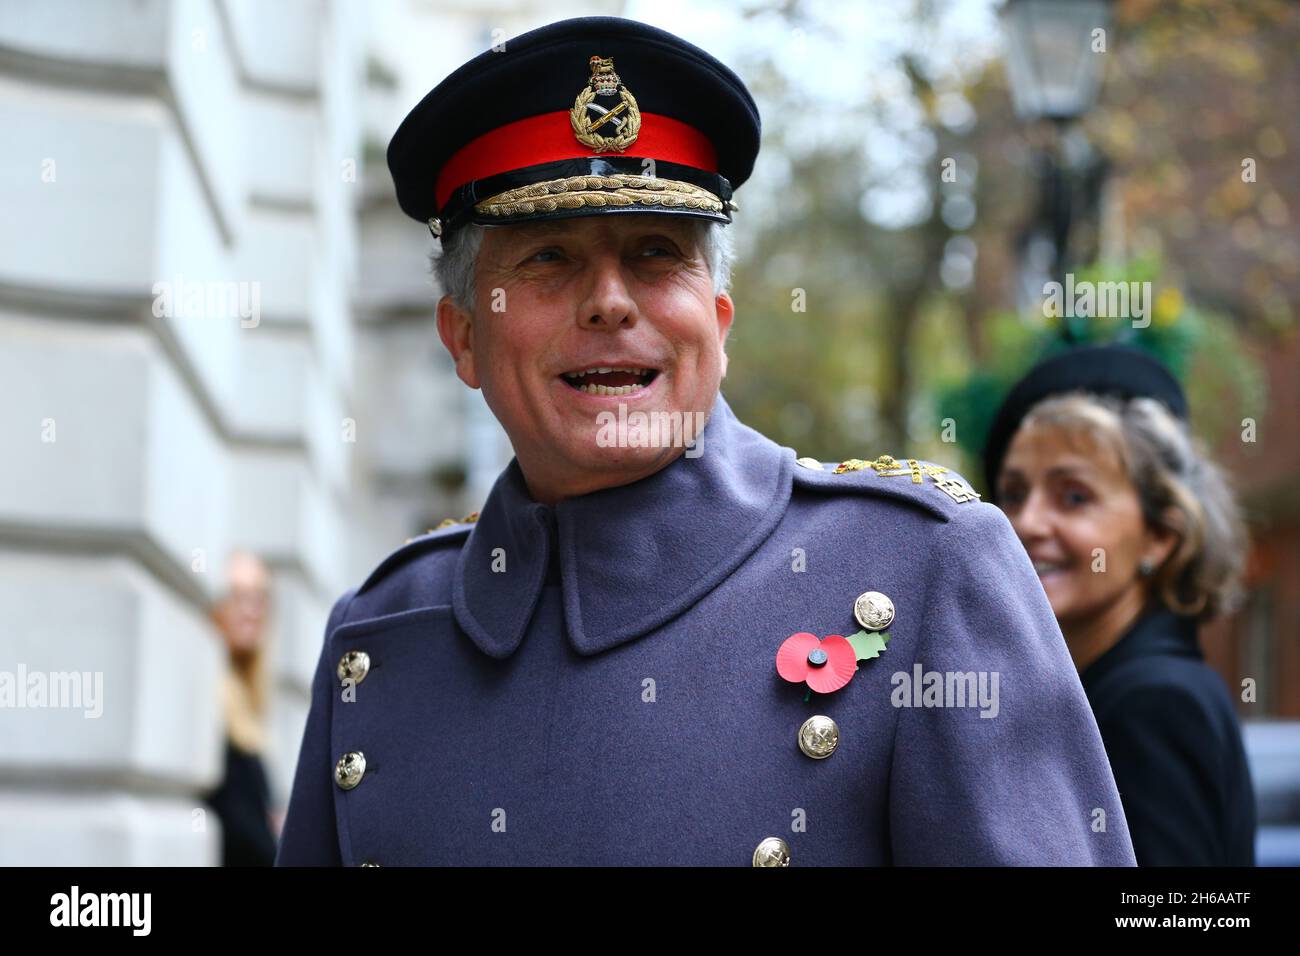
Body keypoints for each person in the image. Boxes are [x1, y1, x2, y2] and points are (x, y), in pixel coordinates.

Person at [275, 16, 1136, 866]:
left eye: (657, 253)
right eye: (548, 258)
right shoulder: (382, 627)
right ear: (462, 336)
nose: (611, 302)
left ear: (718, 324)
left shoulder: (922, 569)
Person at [984, 344, 1256, 866]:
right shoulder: (1106, 687)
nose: (1026, 523)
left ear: (1160, 536)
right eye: (1013, 494)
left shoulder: (1153, 704)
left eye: (1074, 497)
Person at [203, 550, 279, 866]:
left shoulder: (246, 695)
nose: (251, 610)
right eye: (238, 596)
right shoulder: (207, 690)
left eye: (259, 598)